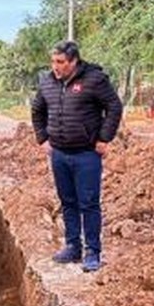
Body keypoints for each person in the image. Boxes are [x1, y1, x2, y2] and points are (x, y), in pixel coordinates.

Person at [31, 40, 123, 273]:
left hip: (86, 154)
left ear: (74, 61)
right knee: (67, 202)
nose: (55, 66)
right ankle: (73, 246)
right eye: (53, 61)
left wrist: (104, 138)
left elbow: (114, 107)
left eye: (61, 62)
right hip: (59, 154)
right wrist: (42, 138)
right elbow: (37, 110)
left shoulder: (94, 80)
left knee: (88, 203)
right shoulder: (47, 82)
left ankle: (92, 251)